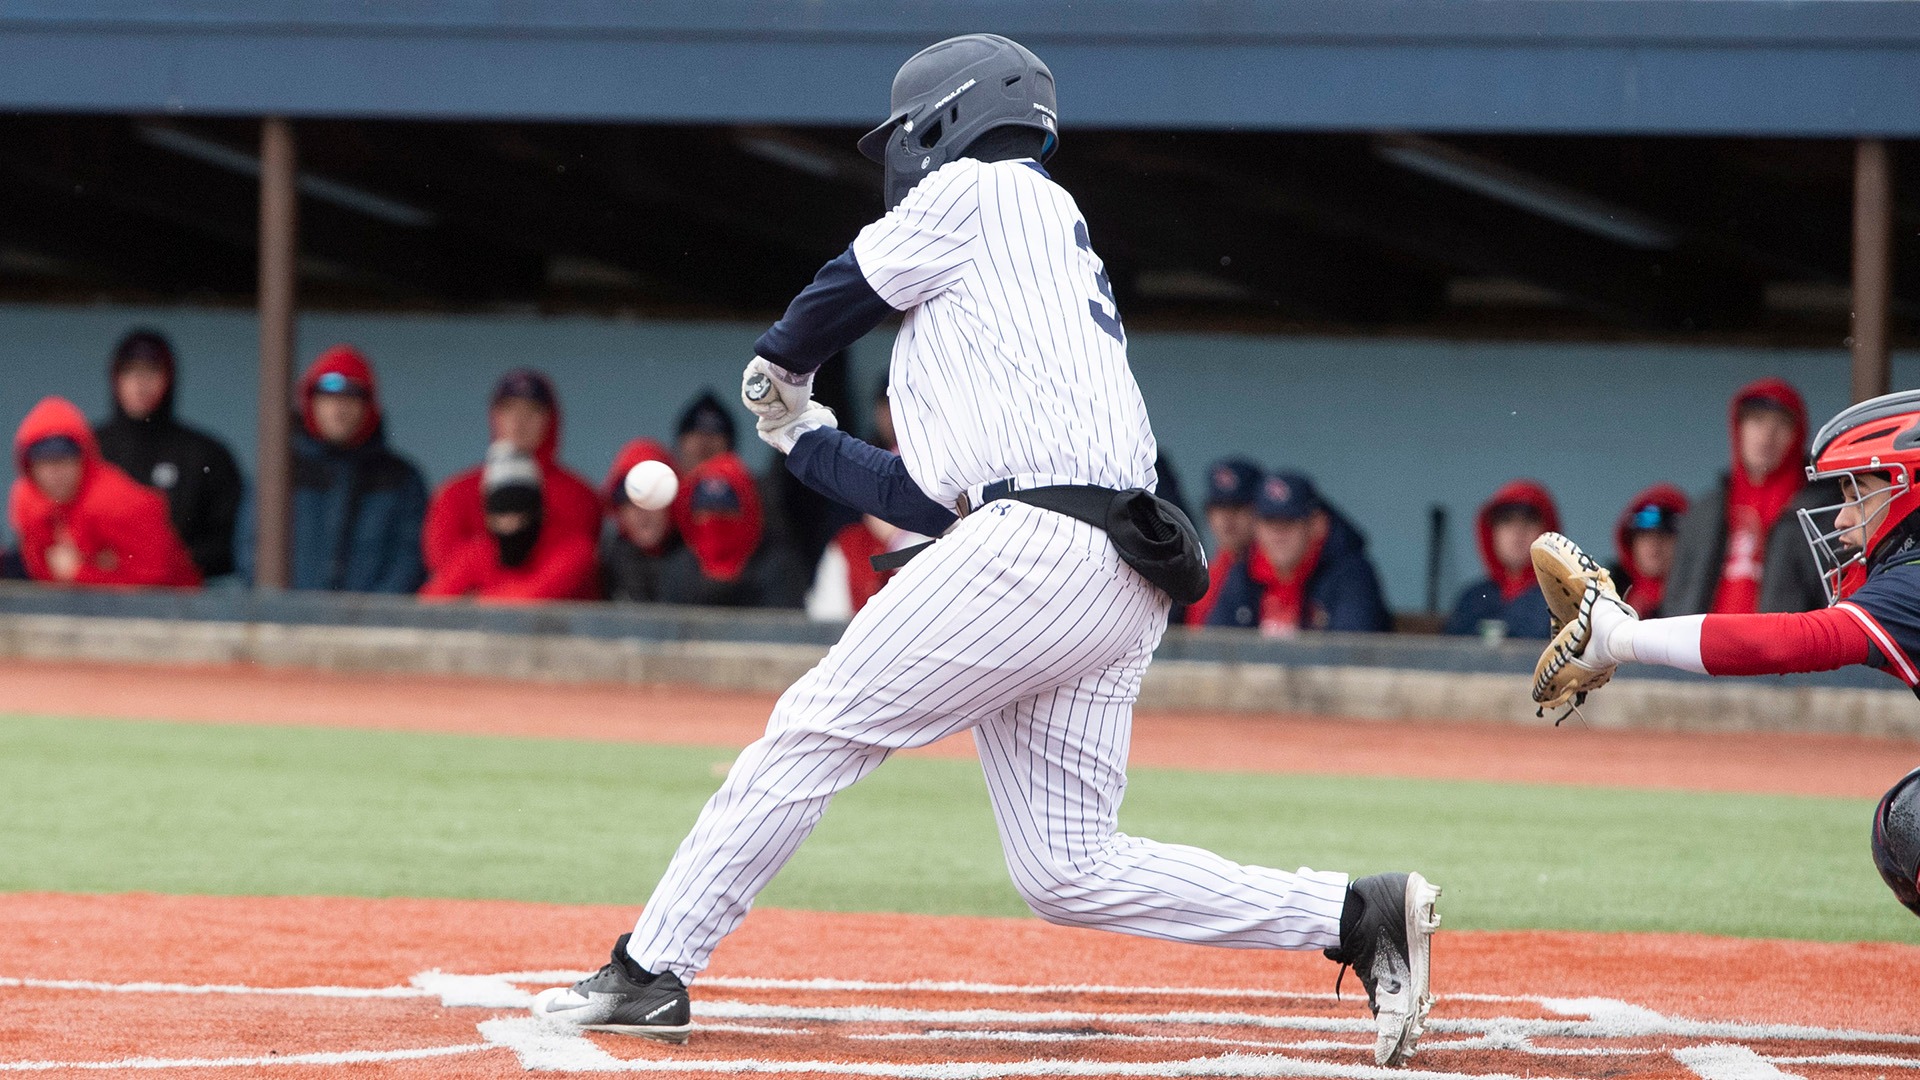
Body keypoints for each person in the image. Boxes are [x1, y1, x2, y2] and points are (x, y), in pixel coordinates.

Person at [530, 34, 1440, 1070]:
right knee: (1066, 868)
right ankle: (1357, 914)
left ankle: (652, 968)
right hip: (1108, 567)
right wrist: (801, 437)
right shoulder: (1008, 291)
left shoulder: (991, 190)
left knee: (813, 729)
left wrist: (775, 365)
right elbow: (925, 493)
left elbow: (839, 289)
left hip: (1043, 548)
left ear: (944, 121)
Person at [1529, 387, 1920, 921]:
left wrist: (1619, 638)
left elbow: (1789, 641)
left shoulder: (1911, 585)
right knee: (1900, 824)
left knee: (1911, 820)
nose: (1841, 519)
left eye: (1861, 495)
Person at [240, 345, 428, 594]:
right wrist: (284, 610)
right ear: (309, 402)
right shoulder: (280, 470)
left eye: (351, 396)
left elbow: (410, 559)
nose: (338, 409)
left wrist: (373, 617)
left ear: (369, 406)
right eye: (327, 397)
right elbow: (250, 548)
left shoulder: (402, 478)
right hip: (290, 625)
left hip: (373, 627)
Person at [1665, 378, 1831, 615]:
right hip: (1703, 648)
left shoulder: (1820, 511)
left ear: (1799, 434)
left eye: (1781, 425)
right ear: (1738, 428)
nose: (1766, 435)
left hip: (1781, 649)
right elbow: (1678, 594)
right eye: (1756, 421)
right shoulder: (1705, 510)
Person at [91, 330, 244, 579]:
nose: (140, 383)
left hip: (178, 604)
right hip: (94, 599)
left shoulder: (205, 454)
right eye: (129, 371)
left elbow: (231, 542)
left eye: (151, 371)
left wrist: (168, 565)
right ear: (115, 379)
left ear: (169, 379)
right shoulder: (88, 448)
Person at [422, 369, 601, 574]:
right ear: (494, 416)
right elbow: (443, 568)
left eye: (532, 410)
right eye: (508, 409)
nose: (519, 421)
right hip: (472, 603)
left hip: (550, 600)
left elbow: (572, 568)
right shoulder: (454, 495)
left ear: (551, 419)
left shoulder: (580, 497)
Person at [8, 396, 200, 587]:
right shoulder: (26, 501)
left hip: (176, 612)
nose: (55, 473)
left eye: (65, 460)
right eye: (44, 462)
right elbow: (44, 573)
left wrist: (80, 572)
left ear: (84, 460)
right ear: (28, 467)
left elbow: (156, 582)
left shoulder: (117, 502)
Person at [1205, 471, 1391, 635]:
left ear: (1317, 525)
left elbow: (1349, 654)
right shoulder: (1245, 572)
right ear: (1257, 527)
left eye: (1289, 522)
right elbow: (1215, 644)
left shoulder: (1351, 575)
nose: (1278, 535)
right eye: (1269, 522)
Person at [420, 442, 599, 603]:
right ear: (488, 518)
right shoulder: (478, 552)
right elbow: (430, 604)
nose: (512, 525)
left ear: (541, 511)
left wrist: (473, 601)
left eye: (522, 513)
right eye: (501, 515)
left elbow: (532, 598)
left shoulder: (575, 549)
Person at [657, 449, 782, 607]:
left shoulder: (776, 569)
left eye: (725, 511)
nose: (713, 521)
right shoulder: (679, 570)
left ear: (748, 514)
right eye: (705, 511)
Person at [1444, 479, 1559, 639]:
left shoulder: (1561, 599)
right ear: (1491, 533)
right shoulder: (1472, 598)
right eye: (1506, 521)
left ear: (1549, 531)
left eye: (1529, 520)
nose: (1518, 532)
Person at [601, 438, 683, 604]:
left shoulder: (698, 561)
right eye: (630, 503)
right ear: (619, 511)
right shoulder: (605, 561)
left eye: (653, 501)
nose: (643, 514)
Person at [1185, 456, 1262, 626]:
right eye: (1219, 507)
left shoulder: (1271, 577)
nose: (1227, 518)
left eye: (1238, 507)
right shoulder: (1205, 573)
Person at [1610, 484, 1689, 618]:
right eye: (1643, 535)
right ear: (1630, 543)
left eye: (1665, 534)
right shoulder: (1607, 601)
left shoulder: (1708, 595)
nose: (1654, 543)